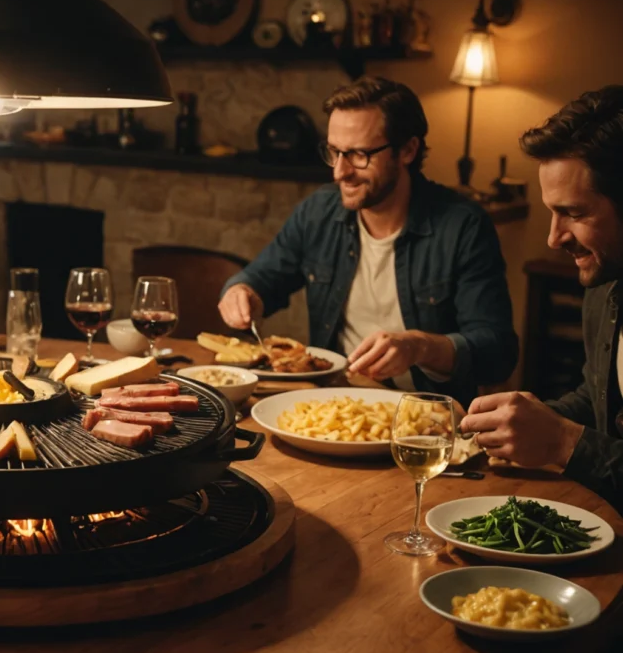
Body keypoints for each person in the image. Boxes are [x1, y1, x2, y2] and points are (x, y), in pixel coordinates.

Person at [217, 76, 517, 406]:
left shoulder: (463, 226)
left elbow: (498, 352)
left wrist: (420, 346)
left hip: (426, 420)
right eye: (334, 152)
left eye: (359, 154)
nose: (340, 172)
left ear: (408, 150)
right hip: (333, 409)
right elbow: (262, 278)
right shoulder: (319, 211)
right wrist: (241, 291)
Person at [462, 87, 623, 510]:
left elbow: (573, 438)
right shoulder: (606, 282)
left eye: (574, 213)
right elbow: (597, 398)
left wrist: (561, 440)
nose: (554, 238)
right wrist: (527, 421)